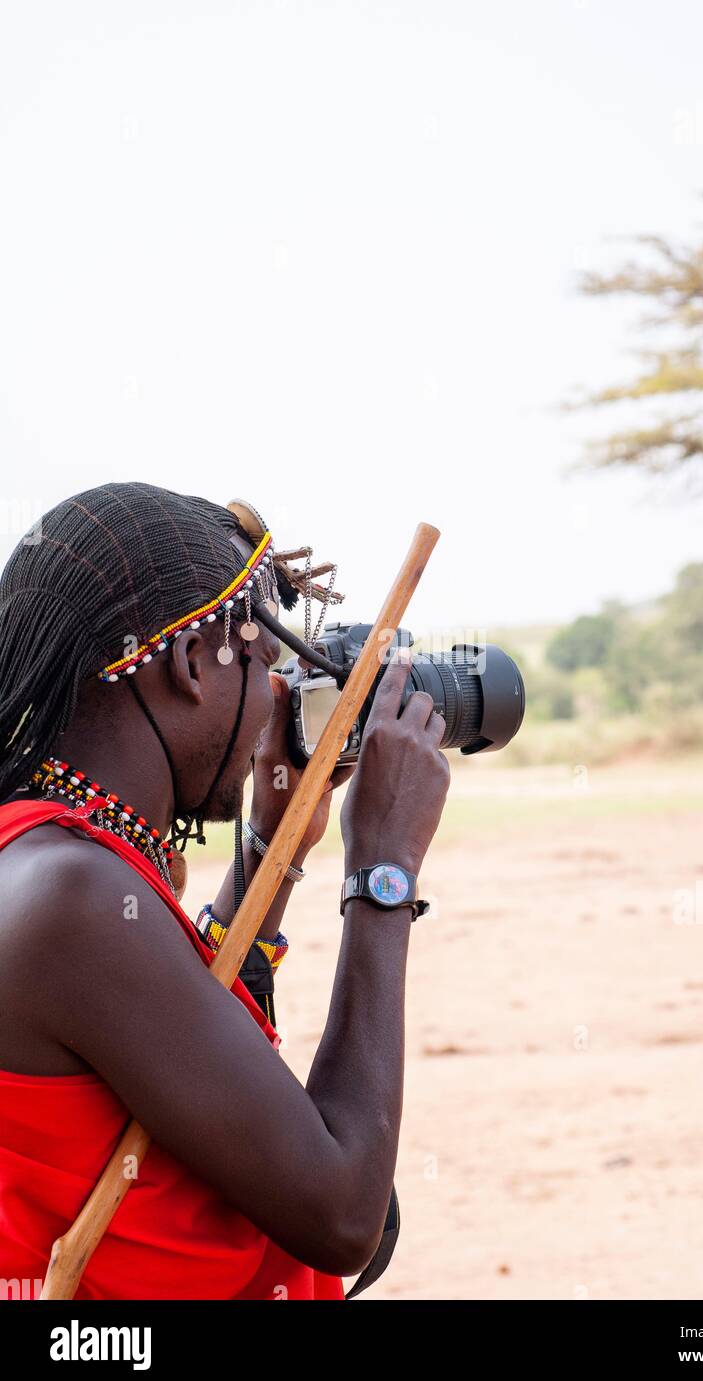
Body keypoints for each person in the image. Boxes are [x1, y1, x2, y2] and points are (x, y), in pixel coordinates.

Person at [0, 482, 449, 1299]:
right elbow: (344, 1215)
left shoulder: (40, 856)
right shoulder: (74, 893)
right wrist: (381, 871)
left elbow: (182, 1045)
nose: (273, 705)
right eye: (264, 666)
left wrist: (271, 847)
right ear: (190, 665)